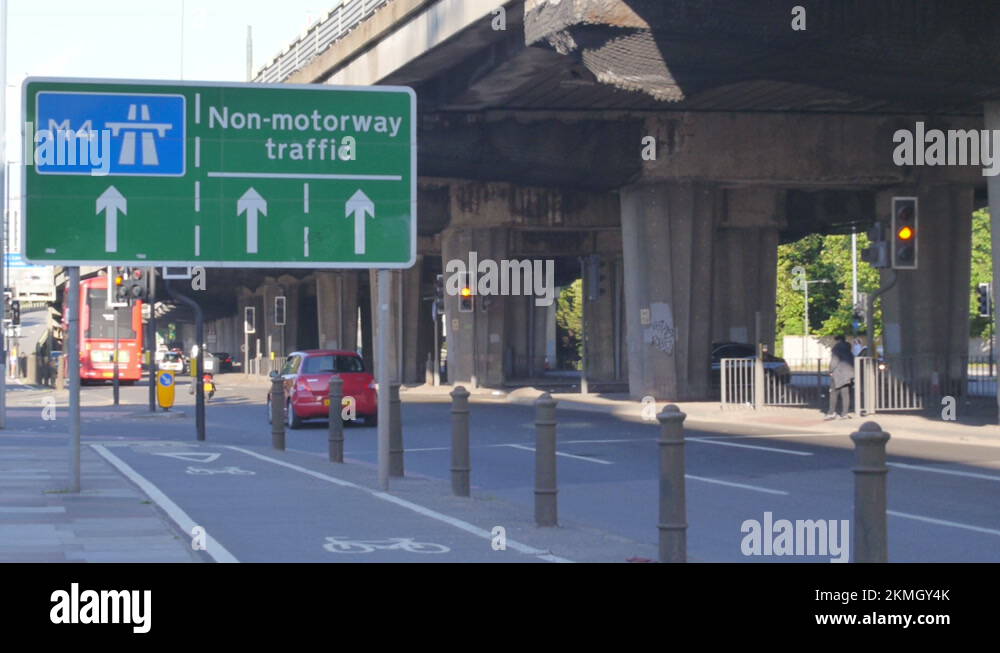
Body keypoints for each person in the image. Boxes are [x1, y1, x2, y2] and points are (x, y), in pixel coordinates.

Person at [826, 335, 854, 419]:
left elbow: (834, 361)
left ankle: (831, 412)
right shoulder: (848, 349)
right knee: (845, 394)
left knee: (833, 393)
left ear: (837, 341)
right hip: (848, 373)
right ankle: (844, 413)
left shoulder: (837, 349)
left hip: (838, 373)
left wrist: (830, 371)